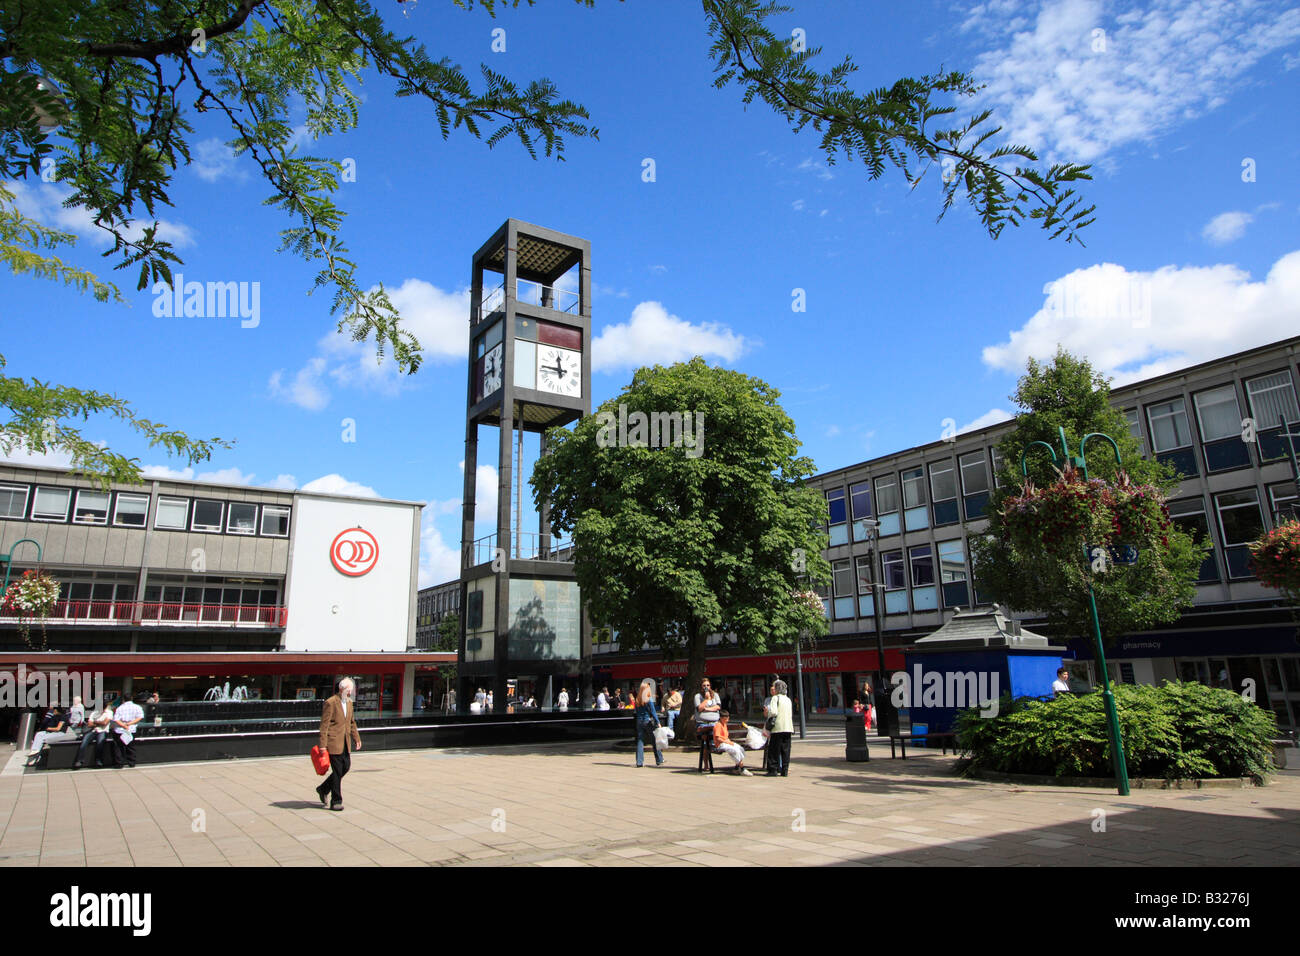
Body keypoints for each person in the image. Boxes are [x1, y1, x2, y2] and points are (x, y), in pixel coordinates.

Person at [316, 677, 362, 811]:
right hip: (333, 742)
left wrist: (356, 738)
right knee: (337, 771)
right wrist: (323, 746)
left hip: (345, 742)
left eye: (351, 691)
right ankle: (336, 800)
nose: (350, 693)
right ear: (342, 689)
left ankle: (323, 788)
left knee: (346, 767)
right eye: (349, 690)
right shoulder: (331, 703)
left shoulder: (349, 703)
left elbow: (352, 722)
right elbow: (324, 726)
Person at [73, 700, 115, 769]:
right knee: (84, 742)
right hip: (93, 730)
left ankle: (99, 760)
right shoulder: (94, 713)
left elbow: (105, 723)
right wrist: (99, 722)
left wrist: (95, 722)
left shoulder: (109, 712)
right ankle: (79, 761)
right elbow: (89, 724)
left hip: (103, 731)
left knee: (100, 743)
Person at [634, 679, 665, 767]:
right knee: (654, 740)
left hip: (639, 721)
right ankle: (659, 759)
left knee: (640, 741)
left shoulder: (638, 699)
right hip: (647, 721)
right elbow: (653, 711)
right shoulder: (648, 699)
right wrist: (658, 722)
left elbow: (636, 711)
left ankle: (639, 762)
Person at [765, 680, 793, 777]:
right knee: (786, 749)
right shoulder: (788, 699)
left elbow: (773, 712)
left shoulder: (775, 698)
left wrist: (768, 713)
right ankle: (785, 769)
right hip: (788, 727)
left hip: (777, 727)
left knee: (774, 749)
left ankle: (773, 769)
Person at [712, 711, 752, 775]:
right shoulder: (718, 725)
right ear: (721, 718)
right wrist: (727, 742)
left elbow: (726, 736)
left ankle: (737, 767)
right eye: (725, 719)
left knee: (740, 748)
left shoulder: (724, 724)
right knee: (735, 750)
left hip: (726, 742)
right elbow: (718, 738)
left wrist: (729, 742)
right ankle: (742, 768)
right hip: (720, 744)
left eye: (728, 719)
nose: (727, 720)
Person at [111, 695, 145, 768]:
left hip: (120, 730)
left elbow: (116, 719)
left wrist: (124, 725)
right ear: (131, 698)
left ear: (123, 699)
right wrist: (130, 724)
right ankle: (131, 762)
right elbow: (140, 717)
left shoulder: (120, 708)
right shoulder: (137, 707)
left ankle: (119, 764)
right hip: (131, 729)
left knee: (119, 747)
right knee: (130, 746)